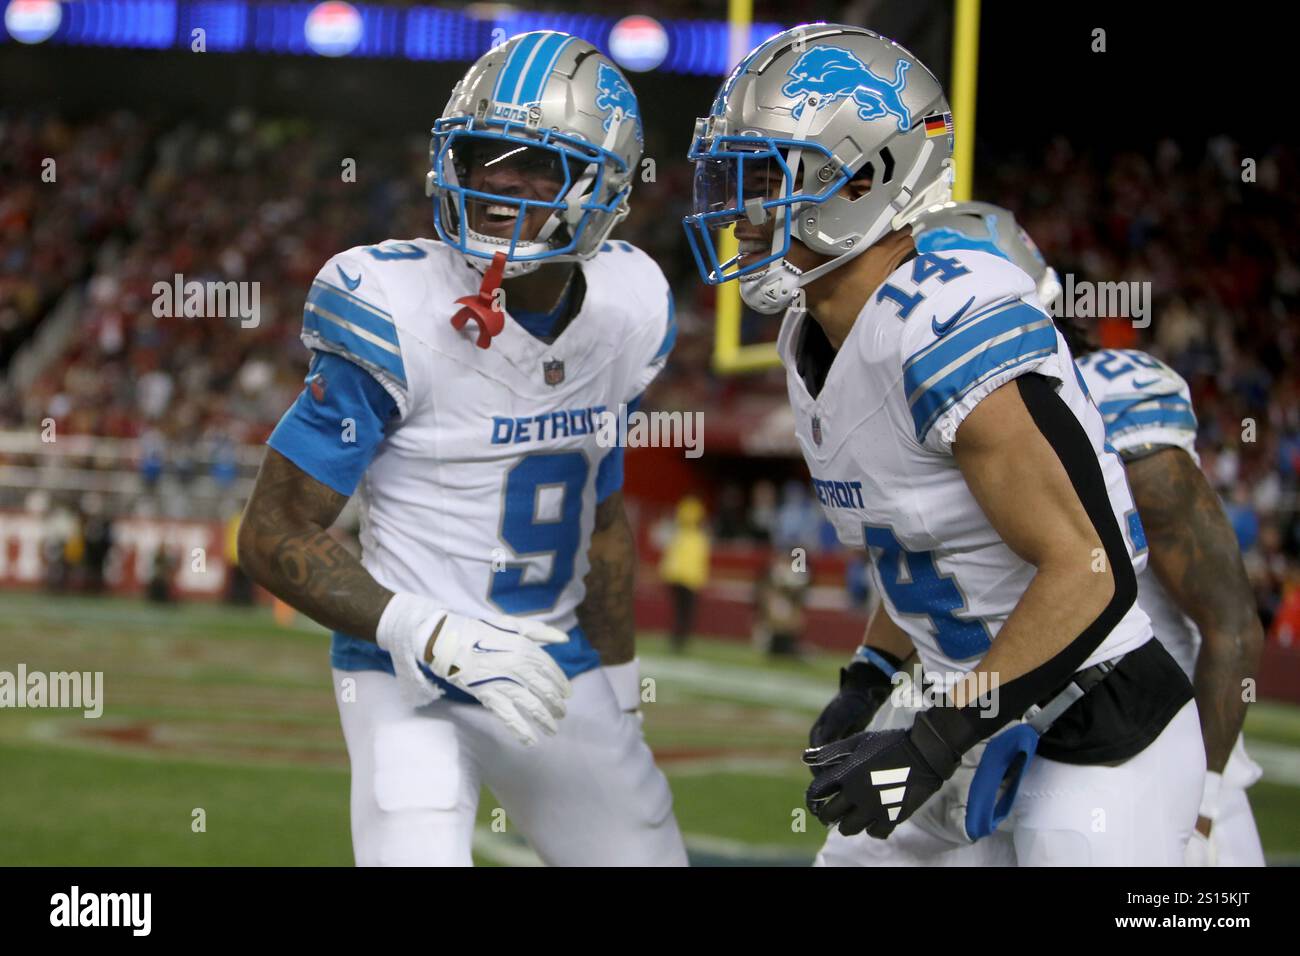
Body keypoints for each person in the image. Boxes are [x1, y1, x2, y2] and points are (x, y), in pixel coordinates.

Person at [684, 24, 1201, 865]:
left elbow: (1090, 569)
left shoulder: (944, 323)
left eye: (765, 179)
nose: (739, 210)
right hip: (968, 715)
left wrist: (934, 737)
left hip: (1094, 725)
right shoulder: (808, 333)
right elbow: (927, 540)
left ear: (864, 179)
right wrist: (867, 680)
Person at [238, 31, 685, 866]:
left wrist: (620, 693)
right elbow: (273, 533)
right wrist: (430, 632)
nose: (498, 182)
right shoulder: (391, 302)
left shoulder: (632, 303)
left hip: (559, 668)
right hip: (403, 671)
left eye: (539, 166)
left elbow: (600, 522)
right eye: (482, 156)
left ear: (604, 185)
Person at [658, 496, 710, 652]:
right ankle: (680, 640)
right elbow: (699, 560)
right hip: (689, 579)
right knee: (686, 612)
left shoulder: (679, 535)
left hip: (677, 577)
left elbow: (670, 557)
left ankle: (678, 639)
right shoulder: (698, 537)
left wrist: (666, 573)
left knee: (680, 611)